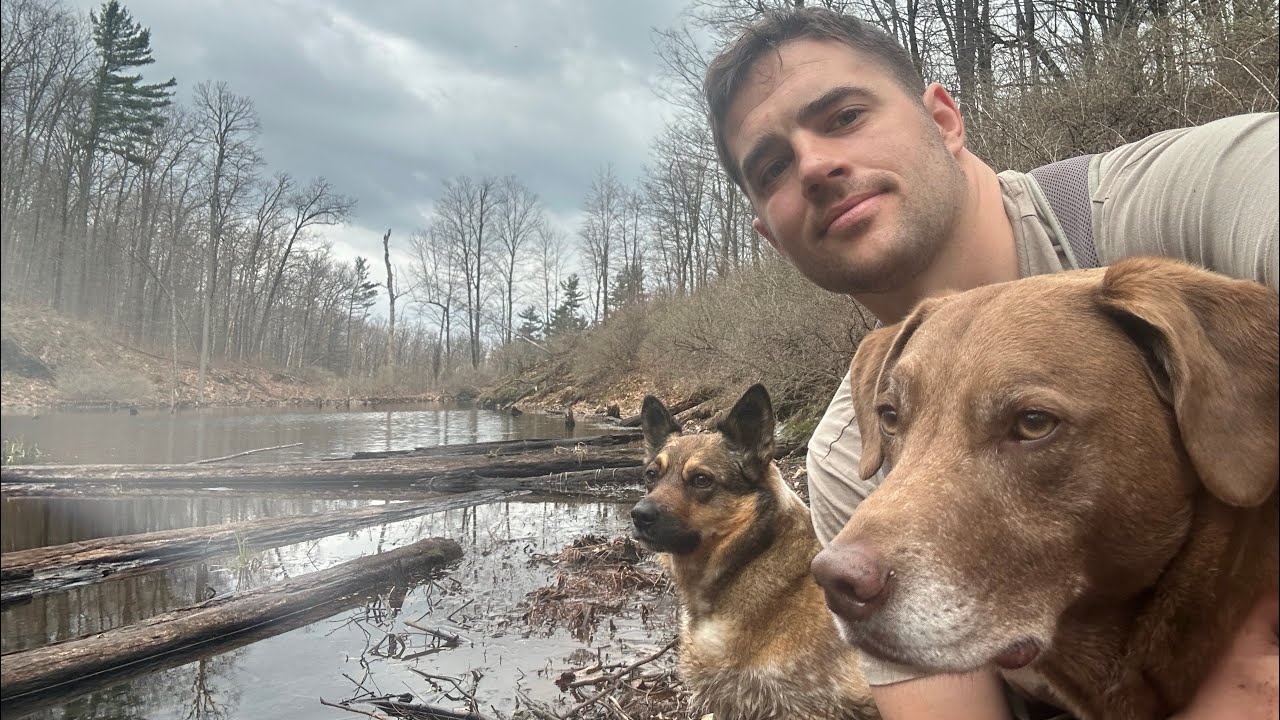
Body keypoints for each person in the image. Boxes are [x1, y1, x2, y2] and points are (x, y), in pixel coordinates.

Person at [701, 6, 1279, 720]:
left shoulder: (1190, 197)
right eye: (773, 167)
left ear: (943, 118)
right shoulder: (848, 451)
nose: (816, 166)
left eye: (845, 115)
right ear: (770, 235)